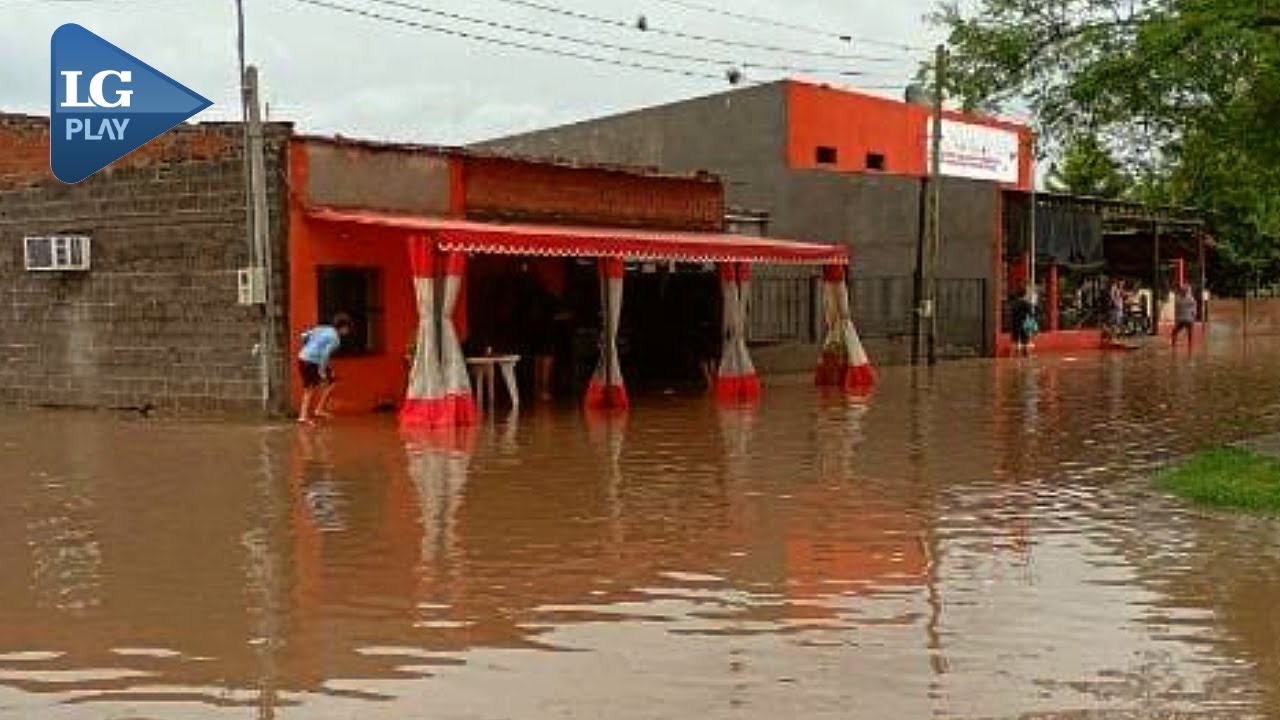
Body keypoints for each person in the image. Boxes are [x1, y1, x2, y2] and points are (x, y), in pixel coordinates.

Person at [297, 313, 352, 424]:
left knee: (331, 382)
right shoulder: (335, 339)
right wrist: (321, 371)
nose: (348, 331)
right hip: (312, 361)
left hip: (303, 357)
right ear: (343, 327)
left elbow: (303, 335)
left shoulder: (324, 328)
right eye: (348, 328)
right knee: (311, 388)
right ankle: (304, 417)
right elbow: (325, 355)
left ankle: (318, 410)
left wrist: (307, 348)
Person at [1011, 290, 1038, 356]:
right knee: (1024, 338)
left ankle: (1016, 353)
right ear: (1024, 295)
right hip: (1023, 322)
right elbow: (1031, 313)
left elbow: (1012, 312)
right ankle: (1025, 353)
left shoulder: (1014, 303)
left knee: (1016, 338)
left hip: (1014, 323)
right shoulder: (1025, 303)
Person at [1172, 283, 1197, 348]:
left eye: (1184, 290)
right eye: (1183, 290)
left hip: (1187, 319)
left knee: (1189, 334)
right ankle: (1174, 346)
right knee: (1175, 332)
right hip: (1183, 319)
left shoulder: (1190, 299)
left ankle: (1189, 347)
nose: (1183, 291)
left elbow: (1194, 309)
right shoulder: (1180, 298)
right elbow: (1177, 309)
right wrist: (1176, 318)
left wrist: (1193, 317)